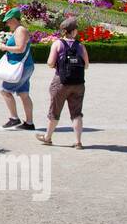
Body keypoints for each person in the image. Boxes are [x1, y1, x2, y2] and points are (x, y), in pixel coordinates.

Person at [38, 16, 89, 148]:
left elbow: (50, 63)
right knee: (76, 113)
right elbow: (86, 65)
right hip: (78, 83)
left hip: (61, 81)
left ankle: (48, 137)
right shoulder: (80, 46)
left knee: (54, 111)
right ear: (74, 31)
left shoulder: (58, 44)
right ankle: (78, 142)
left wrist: (59, 66)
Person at [0, 7, 35, 129]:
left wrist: (5, 48)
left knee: (5, 91)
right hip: (24, 66)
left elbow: (20, 48)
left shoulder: (20, 30)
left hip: (19, 66)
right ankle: (29, 123)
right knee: (24, 93)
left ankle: (14, 118)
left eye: (8, 21)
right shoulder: (19, 30)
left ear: (14, 19)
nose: (7, 23)